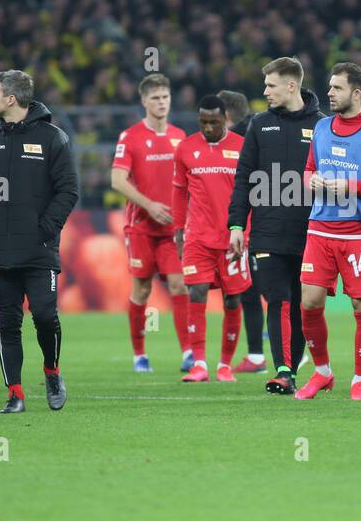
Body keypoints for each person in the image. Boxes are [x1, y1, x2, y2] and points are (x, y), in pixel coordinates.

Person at [0, 71, 79, 413]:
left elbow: (68, 190)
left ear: (11, 99)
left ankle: (52, 371)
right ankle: (15, 393)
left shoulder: (53, 138)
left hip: (38, 248)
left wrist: (45, 228)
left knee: (45, 315)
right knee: (7, 322)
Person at [294, 63, 361, 400]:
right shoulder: (321, 127)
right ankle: (323, 372)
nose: (329, 93)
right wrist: (310, 181)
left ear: (356, 93)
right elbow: (309, 169)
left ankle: (359, 378)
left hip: (358, 234)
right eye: (329, 87)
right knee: (309, 303)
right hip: (320, 229)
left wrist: (348, 186)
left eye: (337, 88)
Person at [227, 56, 324, 395]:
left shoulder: (323, 126)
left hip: (310, 232)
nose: (265, 91)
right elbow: (243, 177)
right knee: (279, 299)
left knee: (302, 304)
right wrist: (236, 225)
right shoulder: (259, 124)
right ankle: (283, 370)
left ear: (291, 85)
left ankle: (296, 369)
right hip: (267, 231)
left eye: (270, 85)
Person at [110, 74, 191, 373]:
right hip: (142, 225)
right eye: (155, 98)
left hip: (172, 228)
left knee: (179, 284)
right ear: (144, 101)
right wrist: (150, 205)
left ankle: (188, 354)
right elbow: (117, 180)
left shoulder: (180, 137)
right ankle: (139, 355)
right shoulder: (129, 137)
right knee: (142, 289)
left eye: (165, 97)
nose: (161, 103)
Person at [172, 96, 250, 383]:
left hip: (232, 238)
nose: (207, 127)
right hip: (197, 237)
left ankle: (225, 365)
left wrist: (245, 232)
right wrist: (178, 230)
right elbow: (179, 192)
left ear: (225, 118)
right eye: (202, 122)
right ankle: (199, 363)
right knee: (196, 292)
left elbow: (250, 196)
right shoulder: (186, 148)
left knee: (232, 299)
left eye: (213, 122)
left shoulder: (242, 148)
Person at [219, 89, 268, 374]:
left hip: (252, 227)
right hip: (256, 223)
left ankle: (290, 354)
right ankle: (257, 356)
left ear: (224, 115)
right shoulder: (257, 130)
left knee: (262, 292)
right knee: (250, 293)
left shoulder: (241, 141)